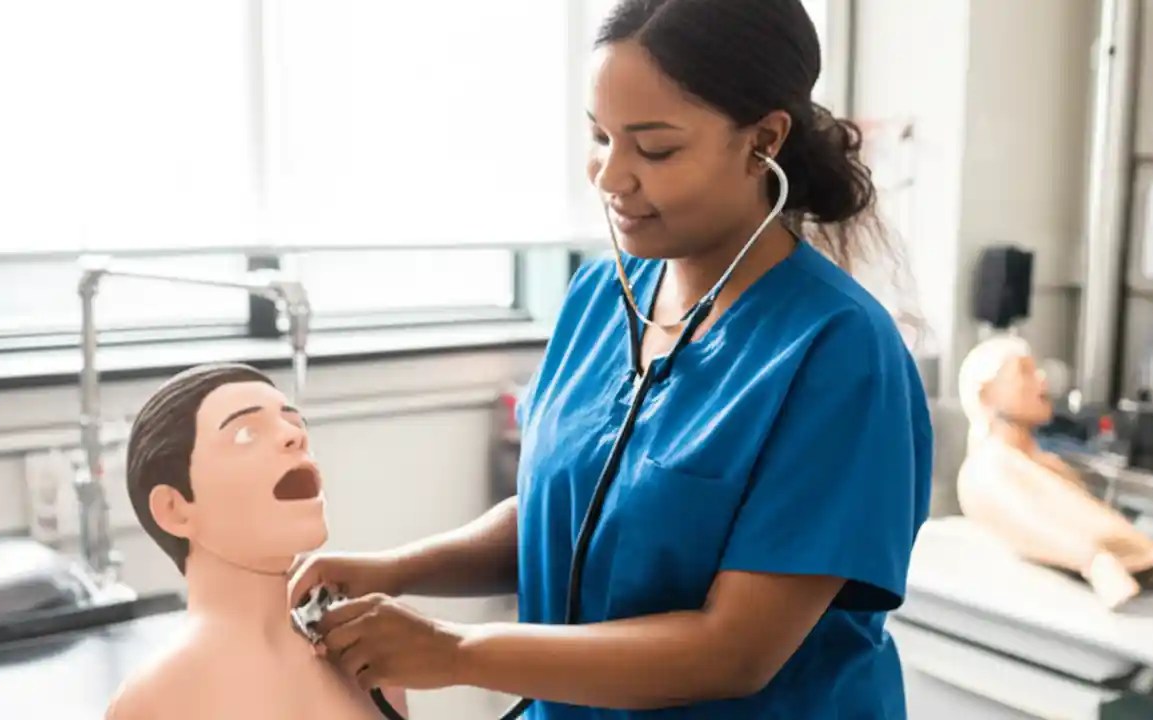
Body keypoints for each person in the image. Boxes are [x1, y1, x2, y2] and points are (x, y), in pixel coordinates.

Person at [288, 0, 932, 717]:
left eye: (654, 149)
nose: (610, 176)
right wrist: (398, 570)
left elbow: (736, 650)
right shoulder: (600, 295)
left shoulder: (838, 353)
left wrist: (456, 651)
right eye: (599, 136)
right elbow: (567, 512)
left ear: (764, 141)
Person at [106, 363, 406, 720]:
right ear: (176, 509)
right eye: (246, 434)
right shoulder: (157, 702)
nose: (295, 438)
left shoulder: (370, 666)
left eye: (295, 425)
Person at [956, 336, 1153, 610]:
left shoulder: (1045, 463)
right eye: (1024, 371)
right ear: (986, 395)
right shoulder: (987, 465)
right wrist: (1094, 562)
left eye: (1036, 369)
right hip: (1133, 581)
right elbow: (1022, 520)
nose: (1042, 379)